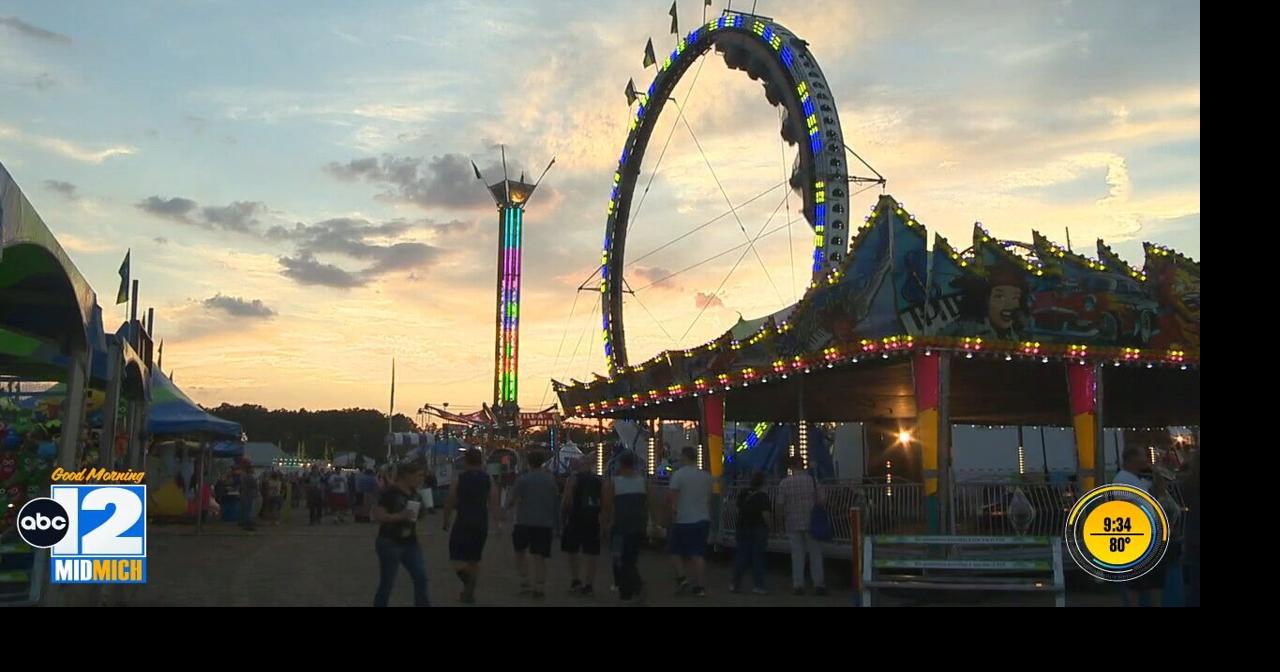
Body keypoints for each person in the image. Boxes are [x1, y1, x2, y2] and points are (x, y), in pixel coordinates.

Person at [443, 448, 499, 604]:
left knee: (456, 559)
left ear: (465, 460)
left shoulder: (460, 479)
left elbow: (450, 500)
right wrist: (497, 522)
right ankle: (469, 591)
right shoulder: (488, 478)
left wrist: (446, 519)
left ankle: (468, 583)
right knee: (474, 559)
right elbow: (494, 500)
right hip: (481, 521)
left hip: (463, 520)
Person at [372, 461, 430, 607]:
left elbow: (418, 515)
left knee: (421, 577)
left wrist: (422, 512)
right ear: (406, 475)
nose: (421, 479)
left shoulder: (415, 494)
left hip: (410, 542)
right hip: (389, 542)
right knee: (387, 582)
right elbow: (378, 515)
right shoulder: (390, 493)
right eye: (419, 475)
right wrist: (400, 516)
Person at [1113, 445, 1163, 607]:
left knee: (1153, 580)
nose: (1145, 459)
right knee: (1137, 581)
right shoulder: (1123, 479)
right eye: (1141, 456)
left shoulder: (1137, 479)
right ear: (1132, 459)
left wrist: (1158, 474)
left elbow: (1158, 491)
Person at [505, 450, 559, 599]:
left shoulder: (523, 480)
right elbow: (555, 498)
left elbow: (512, 499)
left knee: (519, 552)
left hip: (524, 521)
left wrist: (506, 510)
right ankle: (539, 586)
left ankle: (525, 579)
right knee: (540, 556)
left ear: (528, 462)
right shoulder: (550, 479)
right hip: (544, 523)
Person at [602, 450, 650, 604]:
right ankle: (628, 590)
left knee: (621, 559)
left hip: (621, 526)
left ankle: (632, 588)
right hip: (639, 525)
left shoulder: (615, 482)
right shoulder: (642, 482)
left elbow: (607, 506)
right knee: (630, 558)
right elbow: (652, 502)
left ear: (620, 464)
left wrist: (605, 524)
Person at [666, 446, 714, 597]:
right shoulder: (706, 476)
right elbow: (710, 498)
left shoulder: (678, 475)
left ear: (685, 457)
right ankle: (700, 586)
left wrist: (671, 514)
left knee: (674, 551)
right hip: (702, 518)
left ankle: (682, 577)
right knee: (697, 554)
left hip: (683, 519)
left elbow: (673, 498)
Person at [778, 455, 826, 595]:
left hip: (792, 522)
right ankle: (819, 585)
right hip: (812, 523)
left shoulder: (784, 483)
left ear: (790, 467)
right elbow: (822, 500)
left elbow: (780, 505)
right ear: (802, 465)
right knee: (815, 554)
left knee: (797, 555)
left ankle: (798, 585)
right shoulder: (813, 481)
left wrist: (781, 523)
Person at [561, 458, 604, 596]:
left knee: (572, 550)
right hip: (592, 519)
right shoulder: (598, 481)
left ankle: (575, 580)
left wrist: (563, 515)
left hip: (575, 518)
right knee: (591, 553)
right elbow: (604, 501)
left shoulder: (572, 480)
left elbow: (567, 501)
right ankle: (589, 584)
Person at [730, 470, 771, 595]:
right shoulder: (763, 496)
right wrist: (771, 527)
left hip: (742, 527)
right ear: (763, 483)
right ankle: (759, 585)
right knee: (757, 557)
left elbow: (736, 509)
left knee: (742, 556)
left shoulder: (743, 493)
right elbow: (765, 515)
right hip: (758, 528)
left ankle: (735, 584)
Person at [238, 464, 258, 532]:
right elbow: (255, 486)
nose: (253, 470)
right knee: (247, 510)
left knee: (244, 510)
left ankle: (243, 522)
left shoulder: (244, 477)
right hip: (248, 495)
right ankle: (246, 525)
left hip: (244, 494)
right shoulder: (250, 477)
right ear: (249, 470)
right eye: (252, 469)